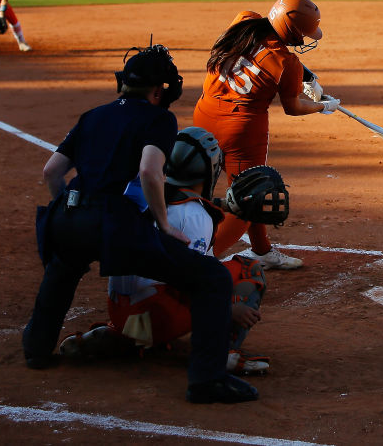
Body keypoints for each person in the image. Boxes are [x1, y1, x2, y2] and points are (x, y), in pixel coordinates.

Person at [21, 45, 259, 404]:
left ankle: (36, 351)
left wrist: (68, 212)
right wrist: (163, 225)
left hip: (67, 216)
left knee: (62, 270)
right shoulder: (158, 119)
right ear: (159, 89)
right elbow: (149, 171)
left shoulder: (93, 115)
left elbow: (52, 171)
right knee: (211, 280)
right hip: (114, 224)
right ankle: (206, 381)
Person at [59, 128, 281, 376]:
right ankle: (219, 351)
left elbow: (174, 201)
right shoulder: (196, 217)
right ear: (210, 170)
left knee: (158, 272)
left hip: (120, 309)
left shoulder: (139, 192)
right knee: (247, 270)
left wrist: (223, 205)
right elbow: (198, 282)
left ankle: (122, 335)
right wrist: (229, 310)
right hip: (157, 316)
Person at [193, 0, 340, 268]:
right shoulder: (287, 63)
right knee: (248, 199)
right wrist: (322, 106)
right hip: (241, 132)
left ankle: (261, 251)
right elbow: (293, 106)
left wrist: (307, 78)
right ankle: (200, 263)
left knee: (205, 190)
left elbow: (264, 47)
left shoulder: (245, 22)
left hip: (203, 116)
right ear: (294, 32)